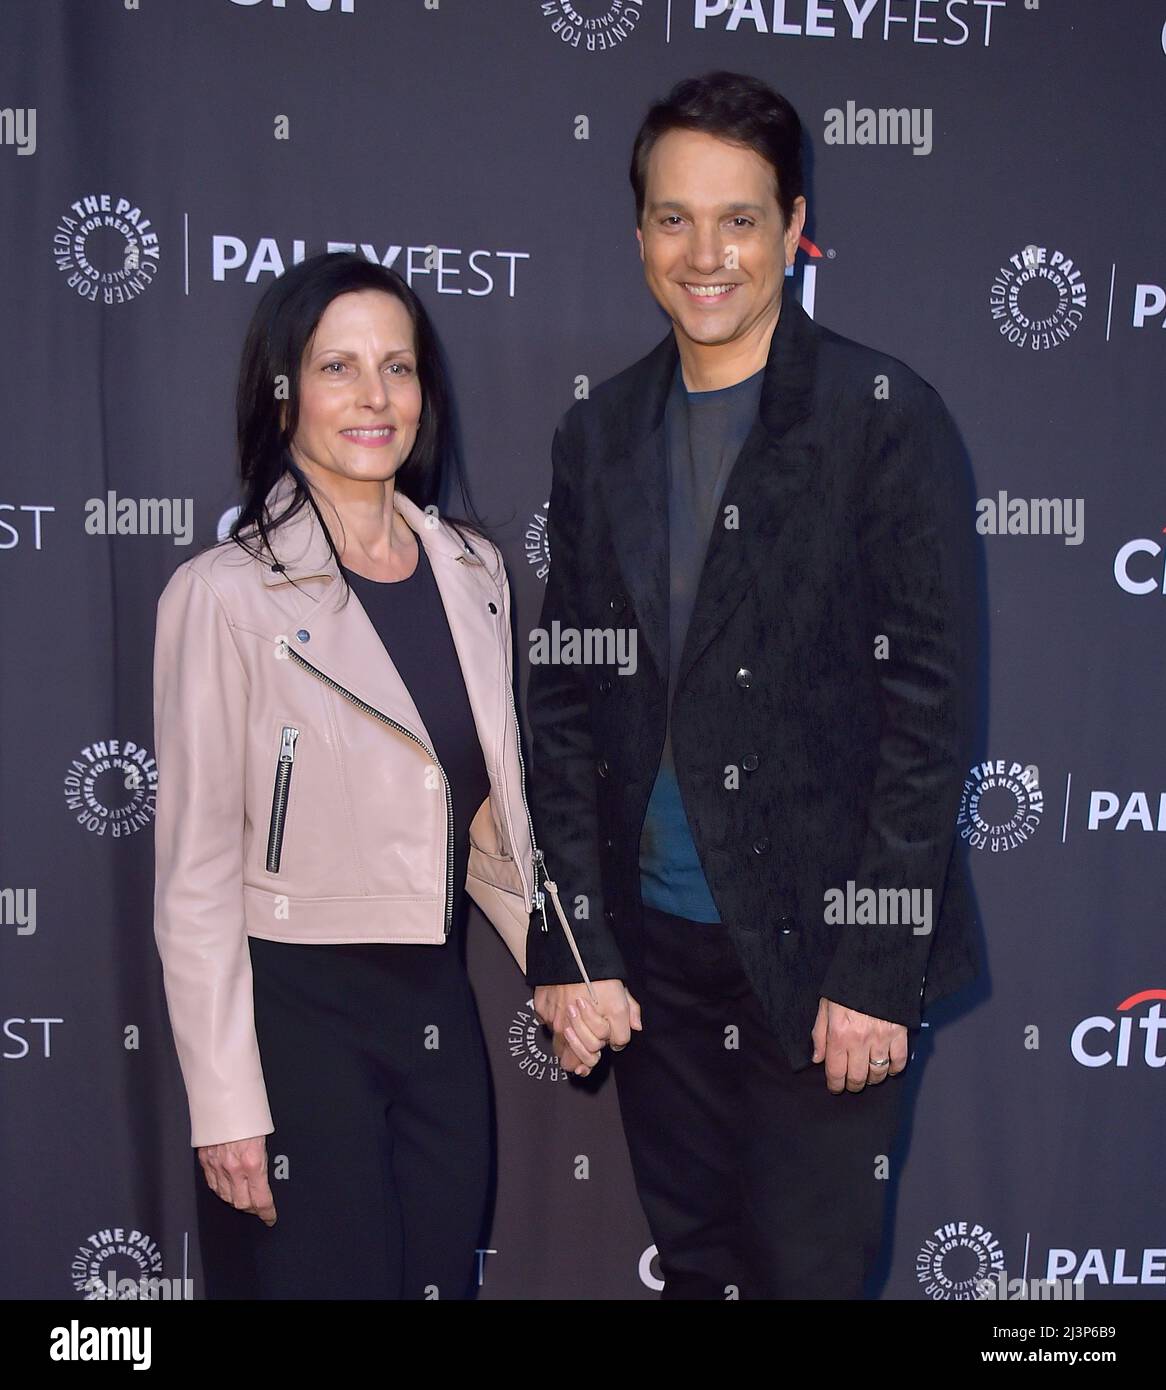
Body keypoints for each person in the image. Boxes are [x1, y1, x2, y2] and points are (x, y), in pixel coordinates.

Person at [526, 72, 982, 1299]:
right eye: (673, 218)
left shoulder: (881, 417)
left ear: (793, 229)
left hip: (824, 952)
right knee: (695, 1265)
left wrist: (876, 970)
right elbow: (562, 701)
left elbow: (929, 715)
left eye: (737, 218)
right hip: (653, 954)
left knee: (808, 1274)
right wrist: (568, 938)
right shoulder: (598, 433)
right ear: (637, 238)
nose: (704, 252)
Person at [152, 250, 602, 1299]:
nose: (373, 397)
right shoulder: (222, 595)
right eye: (337, 367)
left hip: (434, 1015)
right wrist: (226, 1105)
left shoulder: (472, 571)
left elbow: (489, 822)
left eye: (396, 368)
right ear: (282, 391)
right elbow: (196, 877)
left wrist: (562, 964)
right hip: (294, 1021)